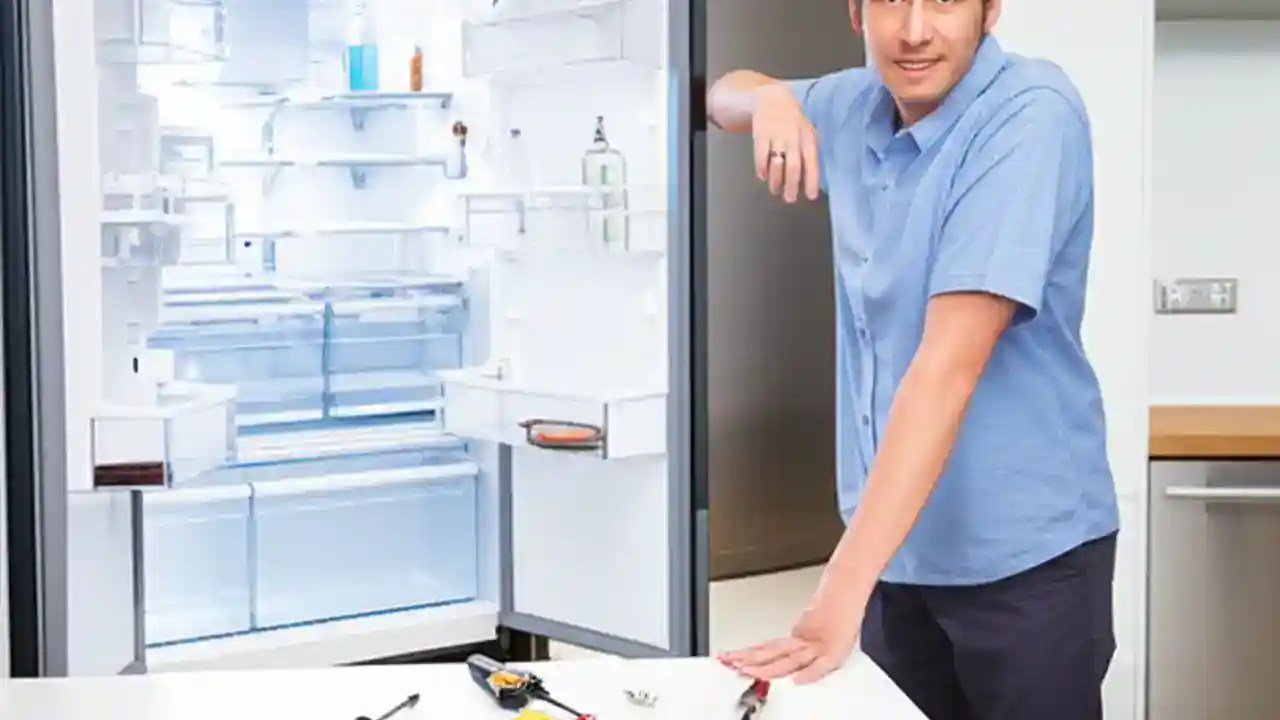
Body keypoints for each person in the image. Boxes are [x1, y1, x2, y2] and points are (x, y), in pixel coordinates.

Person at [707, 1, 1119, 718]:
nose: (916, 29)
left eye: (945, 0)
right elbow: (719, 95)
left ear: (991, 11)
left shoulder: (1030, 115)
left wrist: (838, 595)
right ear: (857, 11)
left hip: (1024, 565)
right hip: (896, 560)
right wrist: (771, 96)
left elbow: (945, 370)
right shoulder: (854, 102)